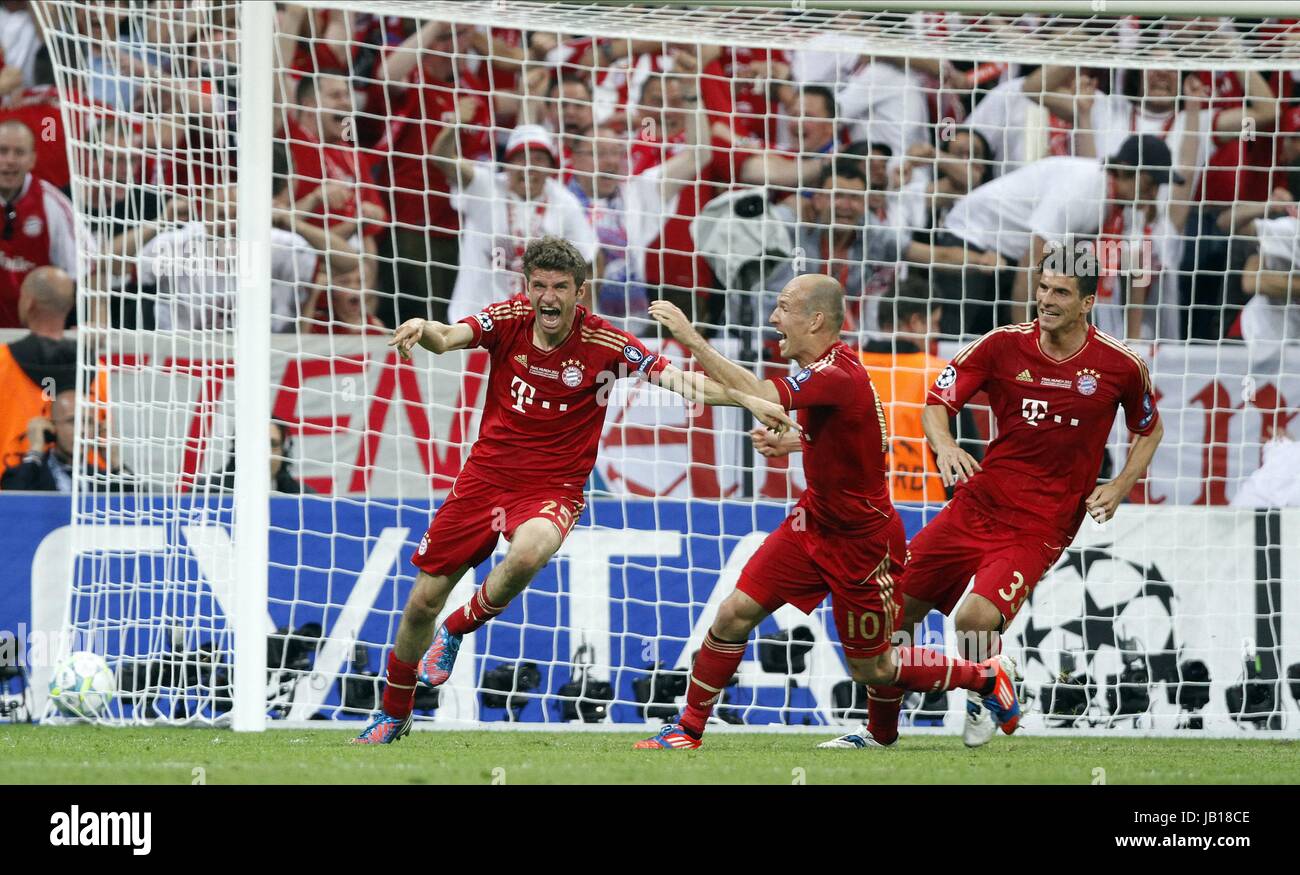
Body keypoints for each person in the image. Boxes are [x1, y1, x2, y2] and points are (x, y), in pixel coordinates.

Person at [351, 236, 794, 744]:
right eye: (539, 285)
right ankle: (393, 711)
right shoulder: (508, 318)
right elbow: (450, 337)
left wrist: (747, 400)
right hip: (485, 478)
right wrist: (423, 328)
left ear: (579, 292)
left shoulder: (605, 341)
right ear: (527, 286)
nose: (548, 297)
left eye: (560, 287)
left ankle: (456, 630)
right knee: (420, 604)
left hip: (552, 486)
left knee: (530, 551)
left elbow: (684, 384)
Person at [634, 274, 1021, 751]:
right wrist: (800, 440)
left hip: (862, 542)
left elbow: (758, 393)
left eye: (782, 308)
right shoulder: (834, 375)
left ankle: (980, 678)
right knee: (734, 613)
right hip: (811, 522)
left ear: (815, 319)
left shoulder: (835, 373)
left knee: (874, 666)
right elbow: (863, 440)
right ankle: (688, 729)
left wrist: (691, 338)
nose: (773, 318)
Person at [820, 242, 1164, 751]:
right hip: (977, 504)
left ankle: (982, 694)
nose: (1046, 300)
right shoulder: (1001, 345)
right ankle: (880, 731)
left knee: (974, 619)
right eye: (1042, 288)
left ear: (1087, 302)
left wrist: (1118, 486)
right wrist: (946, 446)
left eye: (1061, 292)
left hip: (1041, 522)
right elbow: (936, 403)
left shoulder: (1120, 366)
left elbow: (1149, 429)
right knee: (891, 616)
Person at [432, 111, 597, 322]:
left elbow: (588, 261)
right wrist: (456, 123)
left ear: (550, 168)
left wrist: (585, 322)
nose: (529, 167)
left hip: (537, 328)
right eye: (521, 158)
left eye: (538, 159)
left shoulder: (565, 203)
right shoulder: (484, 187)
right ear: (508, 163)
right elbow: (441, 157)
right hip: (475, 320)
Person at [136, 181, 359, 331]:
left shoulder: (277, 244)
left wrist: (294, 224)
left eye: (237, 216)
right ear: (204, 214)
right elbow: (114, 269)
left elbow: (348, 263)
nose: (230, 225)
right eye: (222, 216)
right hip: (185, 360)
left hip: (266, 358)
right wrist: (160, 222)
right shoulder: (176, 244)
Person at [859, 278, 981, 506]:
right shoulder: (938, 374)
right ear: (915, 322)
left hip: (855, 505)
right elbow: (966, 458)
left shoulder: (848, 369)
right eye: (934, 323)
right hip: (923, 509)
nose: (936, 332)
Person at [0, 119, 93, 328]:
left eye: (19, 152)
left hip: (37, 339)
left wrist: (91, 321)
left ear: (32, 160)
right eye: (3, 151)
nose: (10, 160)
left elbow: (88, 271)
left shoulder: (53, 203)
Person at [0, 266, 74, 473]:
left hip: (8, 488)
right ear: (69, 306)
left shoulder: (3, 361)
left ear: (28, 302)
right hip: (82, 491)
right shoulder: (95, 368)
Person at [1, 388, 124, 492]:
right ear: (51, 427)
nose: (82, 430)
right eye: (72, 421)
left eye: (89, 422)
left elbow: (137, 505)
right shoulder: (28, 475)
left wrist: (115, 462)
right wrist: (35, 450)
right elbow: (12, 500)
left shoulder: (104, 480)